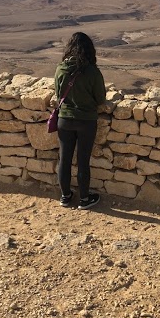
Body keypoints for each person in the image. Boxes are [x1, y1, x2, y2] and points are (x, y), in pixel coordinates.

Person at [51, 32, 105, 209]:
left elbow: (59, 95)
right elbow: (100, 99)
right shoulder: (92, 72)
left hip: (64, 120)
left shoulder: (60, 69)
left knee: (64, 159)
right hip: (86, 121)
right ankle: (84, 199)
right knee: (83, 160)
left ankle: (65, 197)